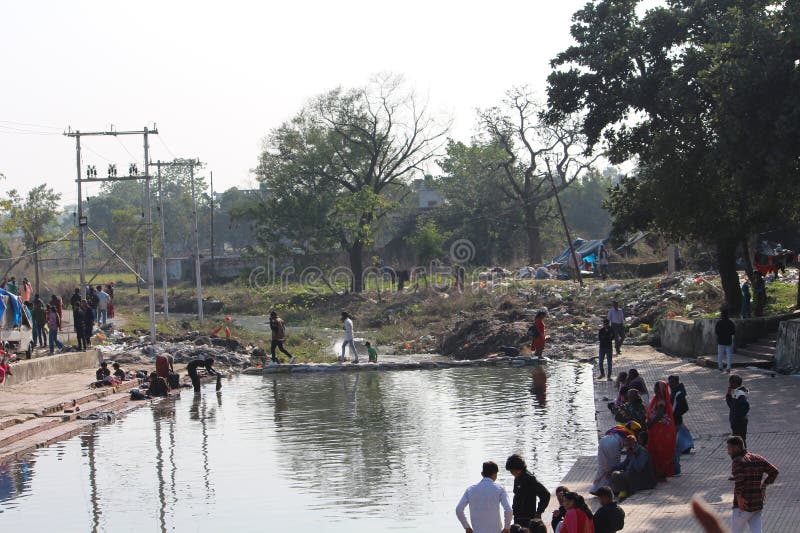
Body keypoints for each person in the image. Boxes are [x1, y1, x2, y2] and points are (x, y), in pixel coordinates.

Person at [726, 435, 778, 533]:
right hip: (757, 504)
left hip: (743, 506)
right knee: (757, 531)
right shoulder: (758, 458)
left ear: (736, 448)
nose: (728, 452)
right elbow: (774, 471)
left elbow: (739, 481)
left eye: (729, 448)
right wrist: (764, 486)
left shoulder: (737, 461)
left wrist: (739, 497)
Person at [455, 461, 513, 533]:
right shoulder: (500, 489)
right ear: (495, 474)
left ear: (482, 474)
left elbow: (459, 510)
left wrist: (467, 527)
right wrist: (507, 527)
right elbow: (508, 510)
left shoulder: (470, 490)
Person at [591, 420, 641, 493]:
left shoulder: (619, 428)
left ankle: (596, 489)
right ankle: (612, 490)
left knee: (602, 466)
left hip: (603, 441)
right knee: (612, 468)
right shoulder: (629, 434)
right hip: (612, 445)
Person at [504, 454, 550, 528]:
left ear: (518, 468)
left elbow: (546, 495)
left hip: (528, 518)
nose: (511, 473)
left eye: (512, 470)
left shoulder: (530, 479)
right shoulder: (517, 477)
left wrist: (539, 512)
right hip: (518, 516)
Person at [646, 380, 676, 480]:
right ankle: (658, 472)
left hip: (661, 431)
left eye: (656, 387)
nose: (654, 389)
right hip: (656, 430)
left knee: (660, 452)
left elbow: (659, 415)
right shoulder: (657, 399)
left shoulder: (661, 402)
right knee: (655, 451)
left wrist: (650, 423)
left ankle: (661, 473)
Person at [610, 435, 657, 500]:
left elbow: (638, 468)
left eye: (629, 444)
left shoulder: (642, 452)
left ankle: (625, 491)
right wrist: (611, 468)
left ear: (635, 443)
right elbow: (624, 464)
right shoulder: (631, 451)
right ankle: (622, 490)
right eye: (626, 445)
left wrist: (632, 456)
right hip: (633, 476)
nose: (627, 446)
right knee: (614, 473)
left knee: (616, 475)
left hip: (643, 480)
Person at [668, 375, 692, 475]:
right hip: (675, 421)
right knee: (674, 446)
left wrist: (674, 415)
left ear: (677, 382)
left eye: (672, 382)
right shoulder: (675, 392)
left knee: (675, 447)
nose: (670, 385)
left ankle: (676, 468)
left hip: (676, 422)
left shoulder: (679, 393)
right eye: (669, 383)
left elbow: (684, 408)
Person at [726, 374, 750, 447]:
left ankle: (743, 455)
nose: (729, 385)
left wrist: (738, 417)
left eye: (730, 383)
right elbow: (731, 405)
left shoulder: (740, 394)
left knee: (740, 440)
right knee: (738, 440)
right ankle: (742, 454)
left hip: (739, 422)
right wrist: (728, 394)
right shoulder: (735, 392)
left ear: (735, 383)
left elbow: (746, 406)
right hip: (736, 422)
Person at [716, 308, 736, 373]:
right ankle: (728, 368)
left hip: (721, 341)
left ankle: (720, 367)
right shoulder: (731, 323)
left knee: (720, 355)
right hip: (728, 341)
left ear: (722, 315)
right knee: (729, 355)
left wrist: (721, 335)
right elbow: (733, 332)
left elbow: (716, 332)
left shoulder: (719, 323)